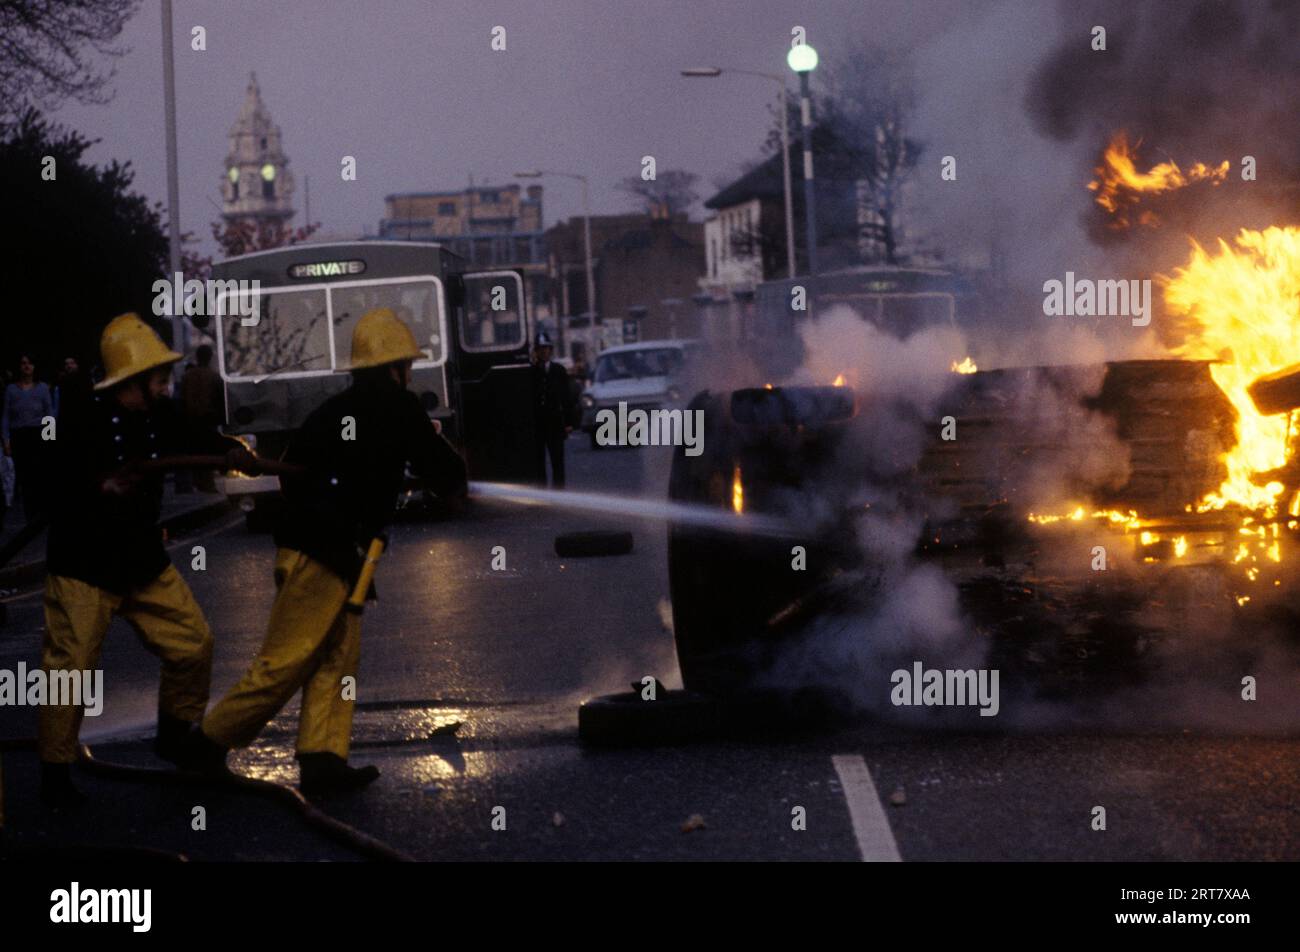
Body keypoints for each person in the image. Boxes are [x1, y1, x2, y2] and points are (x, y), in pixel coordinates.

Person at [193, 307, 467, 794]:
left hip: (324, 549)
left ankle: (322, 760)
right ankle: (207, 743)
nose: (409, 374)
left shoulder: (332, 409)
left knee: (336, 658)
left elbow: (293, 473)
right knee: (288, 660)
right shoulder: (399, 407)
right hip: (324, 554)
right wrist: (448, 482)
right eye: (406, 365)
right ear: (393, 367)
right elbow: (442, 467)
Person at [38, 314, 258, 808]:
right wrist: (99, 486)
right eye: (158, 378)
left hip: (140, 559)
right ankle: (55, 773)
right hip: (83, 565)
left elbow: (197, 438)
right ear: (132, 379)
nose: (165, 385)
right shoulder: (80, 418)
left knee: (193, 644)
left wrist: (231, 451)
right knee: (69, 670)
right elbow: (50, 482)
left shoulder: (160, 415)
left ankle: (174, 735)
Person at [3, 354, 56, 522]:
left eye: (30, 363)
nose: (26, 366)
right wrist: (6, 441)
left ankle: (42, 511)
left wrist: (50, 440)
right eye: (23, 363)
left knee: (39, 474)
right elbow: (5, 416)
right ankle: (29, 514)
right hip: (19, 436)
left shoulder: (42, 388)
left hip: (38, 434)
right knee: (24, 476)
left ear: (34, 367)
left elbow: (49, 414)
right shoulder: (11, 389)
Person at [531, 330, 576, 488]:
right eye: (540, 349)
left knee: (557, 460)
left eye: (546, 348)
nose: (544, 352)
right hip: (537, 424)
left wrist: (569, 422)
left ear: (550, 350)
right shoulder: (531, 371)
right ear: (536, 351)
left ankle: (559, 491)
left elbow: (567, 398)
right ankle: (542, 491)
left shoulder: (559, 371)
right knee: (538, 462)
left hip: (555, 422)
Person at [179, 344, 225, 492]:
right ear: (209, 357)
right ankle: (207, 484)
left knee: (195, 453)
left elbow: (182, 399)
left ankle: (199, 483)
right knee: (207, 452)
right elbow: (220, 399)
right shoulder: (214, 376)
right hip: (208, 420)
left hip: (190, 421)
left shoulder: (187, 376)